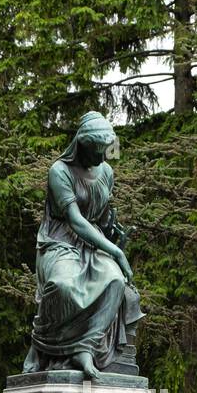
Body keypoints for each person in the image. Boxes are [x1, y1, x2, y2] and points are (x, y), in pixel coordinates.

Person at [22, 111, 144, 378]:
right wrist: (116, 252)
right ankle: (40, 345)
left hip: (92, 244)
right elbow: (76, 221)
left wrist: (112, 235)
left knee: (114, 281)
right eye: (96, 152)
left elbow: (98, 219)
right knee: (63, 285)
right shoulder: (60, 171)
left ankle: (85, 347)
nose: (101, 158)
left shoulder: (106, 172)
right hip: (60, 243)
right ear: (81, 146)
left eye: (105, 152)